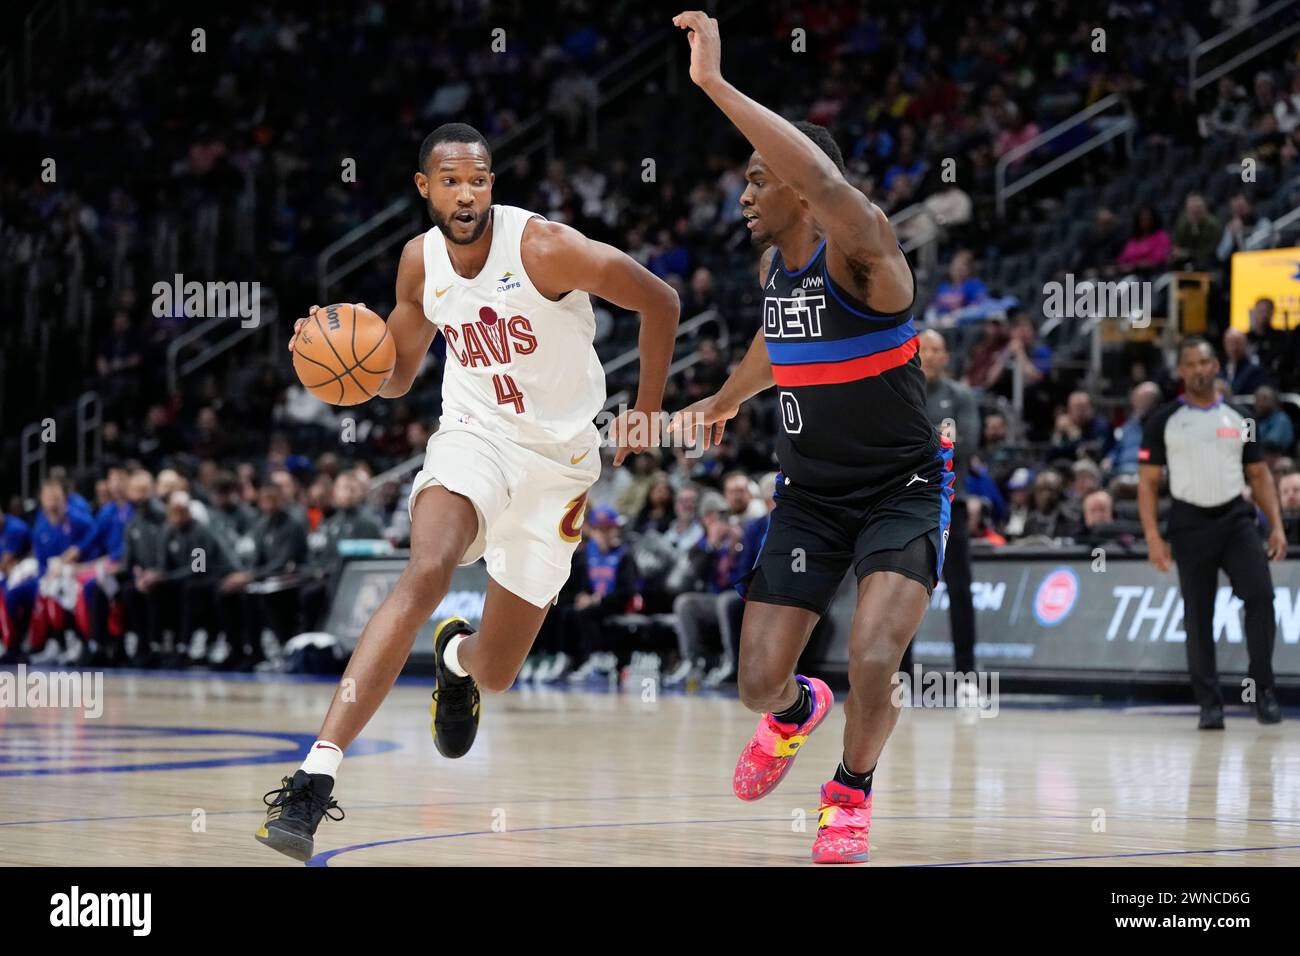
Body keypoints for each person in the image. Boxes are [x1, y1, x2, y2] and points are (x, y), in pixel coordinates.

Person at [255, 122, 679, 860]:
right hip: (475, 436)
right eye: (450, 180)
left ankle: (455, 661)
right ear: (425, 188)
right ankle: (314, 779)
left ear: (492, 184)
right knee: (428, 567)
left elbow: (662, 301)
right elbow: (392, 376)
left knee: (500, 670)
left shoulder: (545, 247)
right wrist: (324, 354)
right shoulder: (419, 264)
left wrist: (645, 410)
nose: (466, 193)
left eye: (478, 179)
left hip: (562, 464)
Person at [669, 12, 953, 864]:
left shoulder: (864, 250)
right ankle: (797, 712)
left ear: (801, 184)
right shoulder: (773, 271)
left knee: (873, 655)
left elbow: (829, 180)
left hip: (901, 487)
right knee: (756, 679)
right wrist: (724, 399)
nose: (745, 195)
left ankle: (849, 794)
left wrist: (716, 87)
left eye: (760, 179)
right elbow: (776, 339)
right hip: (811, 496)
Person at [1138, 337, 1286, 729]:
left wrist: (1276, 527)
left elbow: (1259, 475)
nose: (1198, 370)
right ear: (1181, 371)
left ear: (1216, 365)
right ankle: (1209, 704)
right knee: (1198, 616)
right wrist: (1153, 537)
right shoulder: (1164, 421)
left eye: (1204, 362)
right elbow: (1148, 484)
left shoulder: (1241, 419)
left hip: (1237, 520)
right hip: (1189, 523)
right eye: (1190, 364)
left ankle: (1263, 690)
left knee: (1261, 598)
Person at [915, 330, 978, 683]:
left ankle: (967, 676)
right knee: (902, 589)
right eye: (927, 349)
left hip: (951, 503)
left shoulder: (961, 395)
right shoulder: (902, 392)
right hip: (908, 503)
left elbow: (965, 444)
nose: (934, 356)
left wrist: (921, 441)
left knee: (960, 589)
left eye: (940, 350)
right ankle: (900, 676)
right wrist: (938, 438)